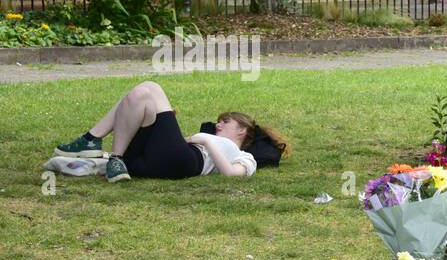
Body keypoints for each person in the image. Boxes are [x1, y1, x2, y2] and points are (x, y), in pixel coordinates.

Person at [55, 80, 287, 183]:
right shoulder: (204, 139)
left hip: (184, 163)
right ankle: (110, 156)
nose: (219, 124)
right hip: (151, 162)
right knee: (137, 96)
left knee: (152, 88)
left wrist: (205, 142)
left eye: (226, 121)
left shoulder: (245, 157)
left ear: (242, 130)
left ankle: (93, 142)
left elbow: (230, 175)